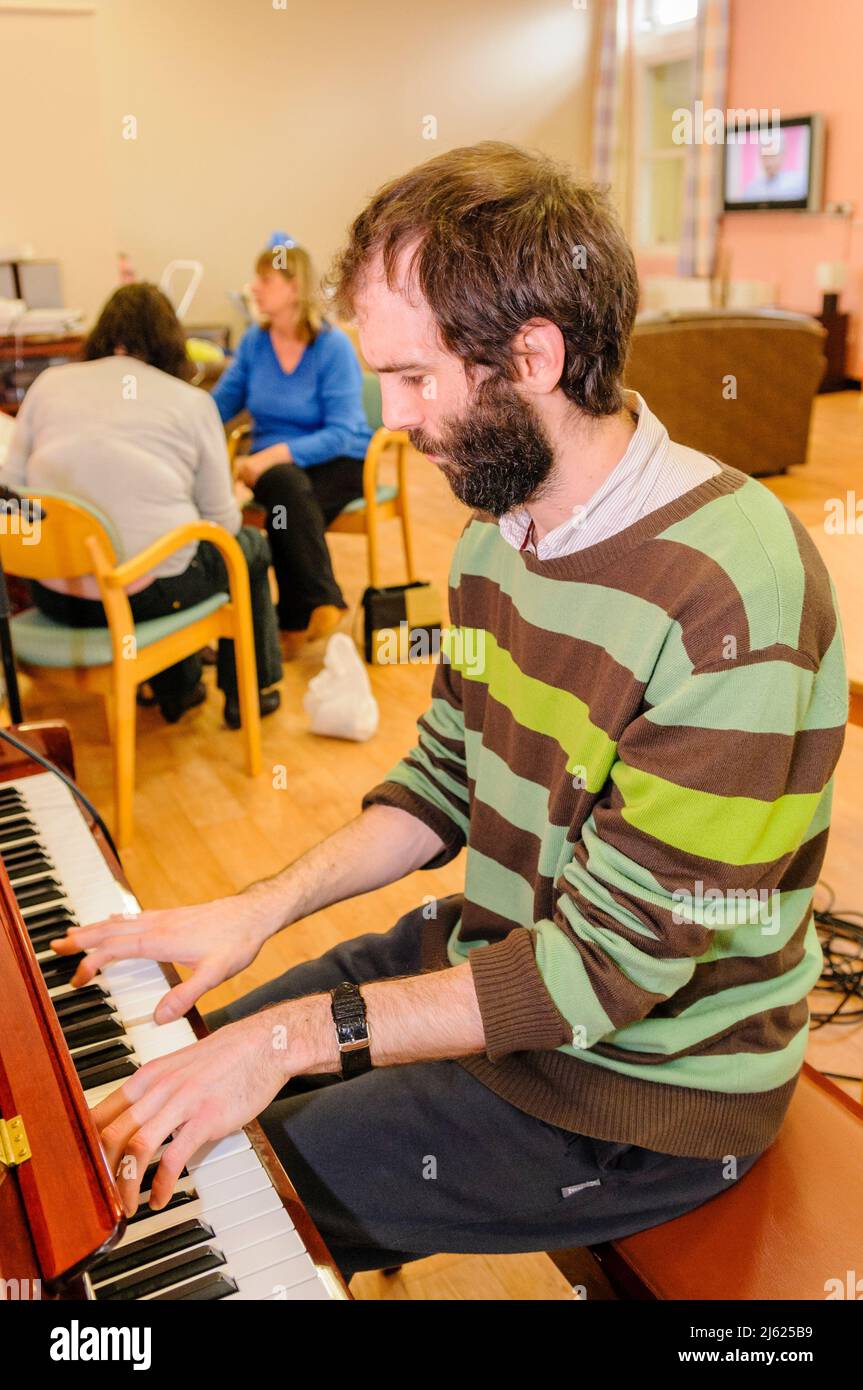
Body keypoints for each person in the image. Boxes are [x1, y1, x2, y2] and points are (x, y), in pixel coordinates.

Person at [56, 143, 847, 1286]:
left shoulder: (732, 592)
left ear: (534, 356)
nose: (394, 418)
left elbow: (603, 976)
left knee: (195, 1186)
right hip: (503, 954)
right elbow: (441, 781)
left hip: (648, 1085)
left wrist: (282, 1040)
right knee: (168, 1071)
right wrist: (254, 909)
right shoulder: (497, 534)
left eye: (417, 379)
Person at [2, 284, 283, 727]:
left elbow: (11, 489)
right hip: (138, 600)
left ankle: (178, 687)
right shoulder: (192, 403)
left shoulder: (48, 384)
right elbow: (222, 522)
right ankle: (248, 692)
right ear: (171, 341)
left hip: (54, 594)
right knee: (245, 547)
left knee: (165, 555)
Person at [212, 243, 373, 658]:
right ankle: (319, 603)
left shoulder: (332, 346)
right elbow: (220, 404)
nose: (254, 288)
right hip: (279, 472)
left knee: (287, 501)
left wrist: (269, 455)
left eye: (265, 280)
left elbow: (341, 432)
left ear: (294, 287)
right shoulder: (254, 343)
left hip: (340, 460)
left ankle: (295, 618)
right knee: (287, 493)